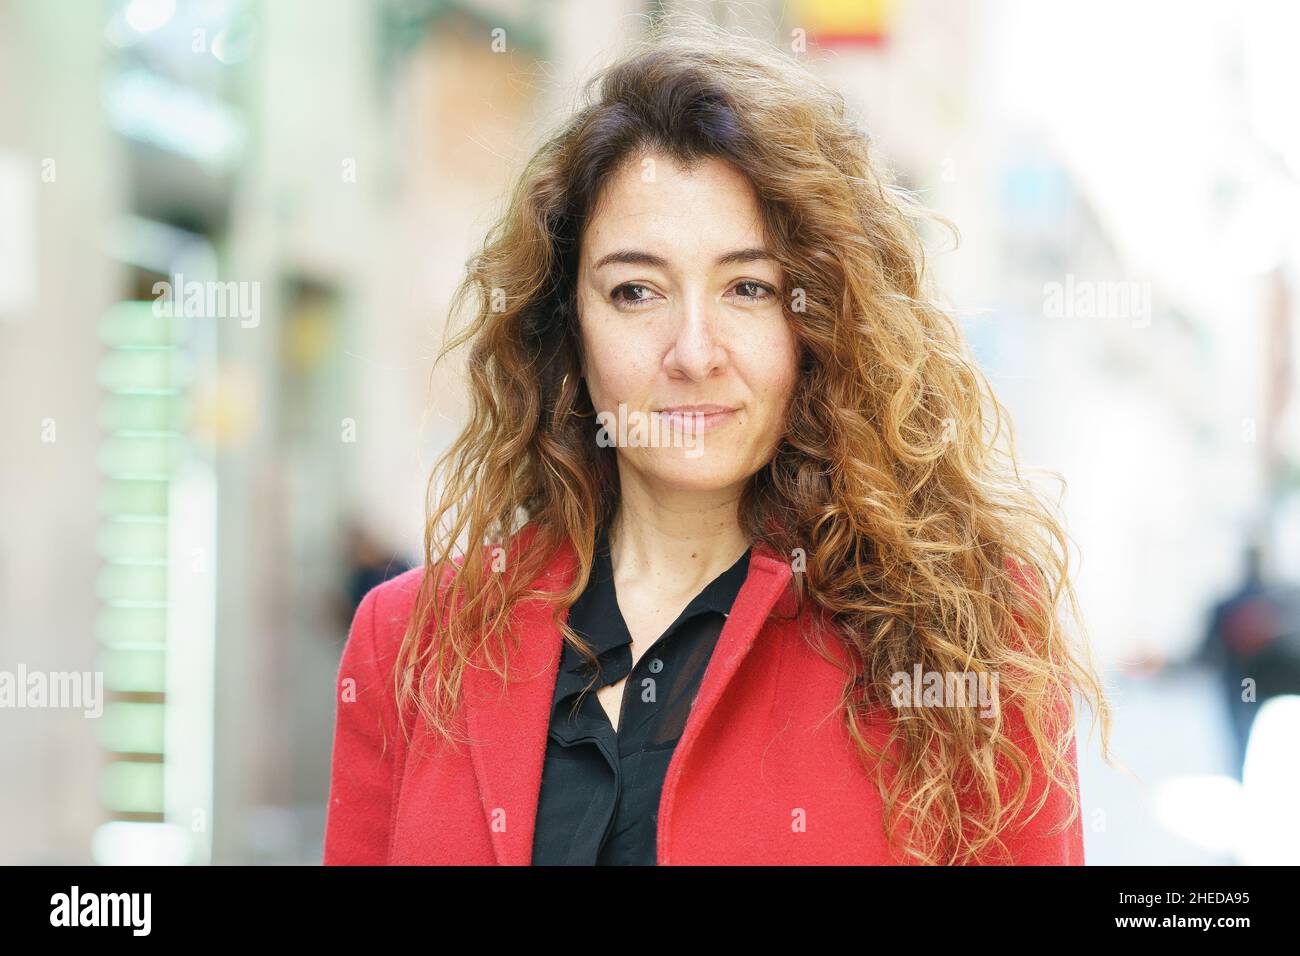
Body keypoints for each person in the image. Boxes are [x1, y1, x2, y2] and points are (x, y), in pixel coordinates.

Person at [323, 15, 1112, 866]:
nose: (693, 352)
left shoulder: (965, 638)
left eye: (748, 288)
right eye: (635, 291)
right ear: (568, 325)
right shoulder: (408, 645)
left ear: (823, 321)